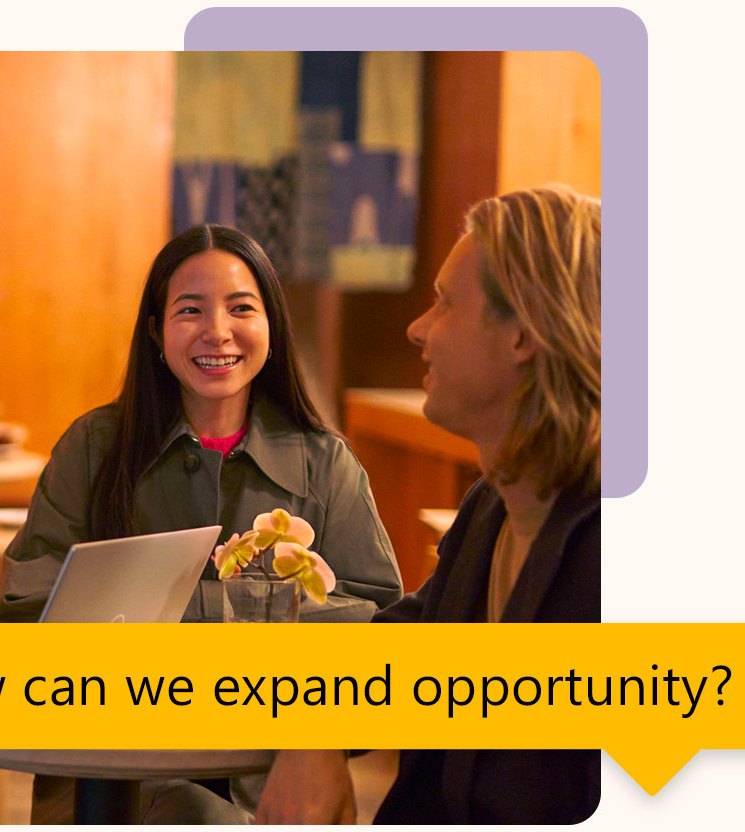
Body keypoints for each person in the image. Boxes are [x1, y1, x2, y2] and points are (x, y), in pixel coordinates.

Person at [0, 223, 403, 822]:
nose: (218, 332)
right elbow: (27, 609)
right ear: (157, 332)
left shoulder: (327, 461)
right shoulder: (93, 446)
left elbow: (377, 625)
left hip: (273, 785)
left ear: (271, 328)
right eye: (190, 310)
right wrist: (246, 611)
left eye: (242, 308)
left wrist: (164, 615)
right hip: (110, 778)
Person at [255, 184, 602, 825]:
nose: (418, 329)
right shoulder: (492, 510)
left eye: (444, 303)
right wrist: (313, 735)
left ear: (524, 333)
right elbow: (396, 654)